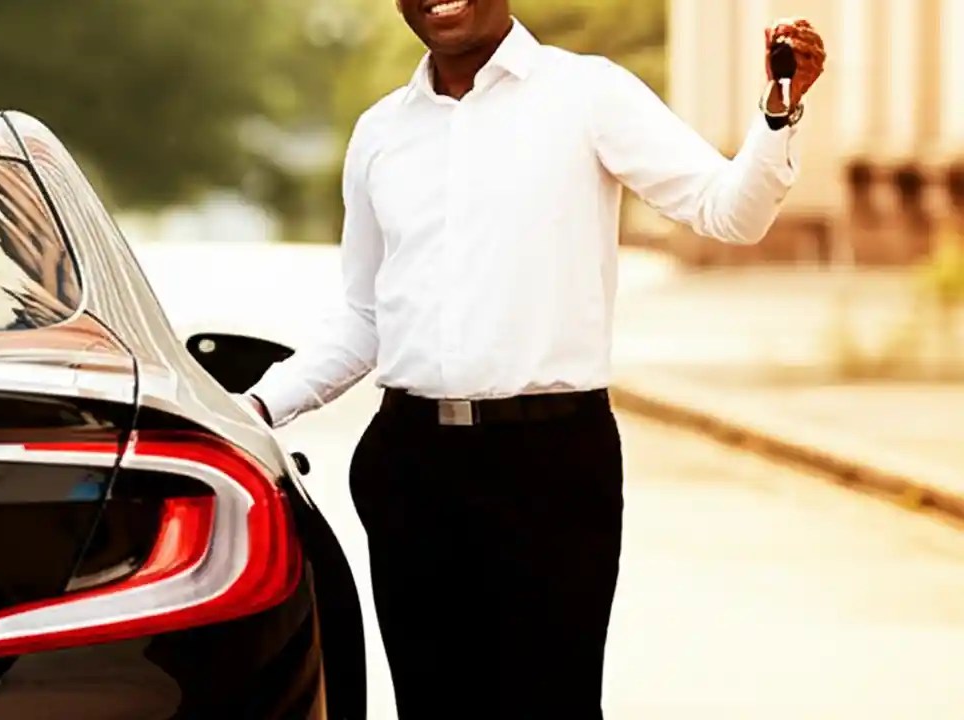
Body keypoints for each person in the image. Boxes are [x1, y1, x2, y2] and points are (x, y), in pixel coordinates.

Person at [243, 2, 826, 716]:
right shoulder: (381, 133)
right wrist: (254, 408)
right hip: (410, 469)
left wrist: (777, 111)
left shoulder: (587, 95)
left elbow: (730, 212)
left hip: (551, 467)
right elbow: (365, 318)